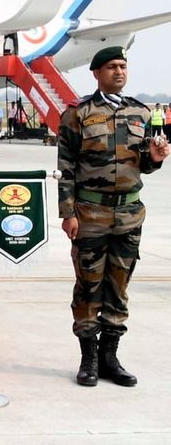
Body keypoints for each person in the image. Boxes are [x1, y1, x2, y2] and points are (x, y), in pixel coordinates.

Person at [58, 46, 168, 388]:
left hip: (130, 215)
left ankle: (110, 358)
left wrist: (156, 157)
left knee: (119, 287)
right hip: (90, 213)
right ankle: (88, 359)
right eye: (111, 67)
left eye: (123, 66)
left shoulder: (140, 111)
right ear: (96, 73)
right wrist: (67, 213)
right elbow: (65, 167)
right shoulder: (78, 113)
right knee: (88, 286)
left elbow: (145, 166)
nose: (119, 72)